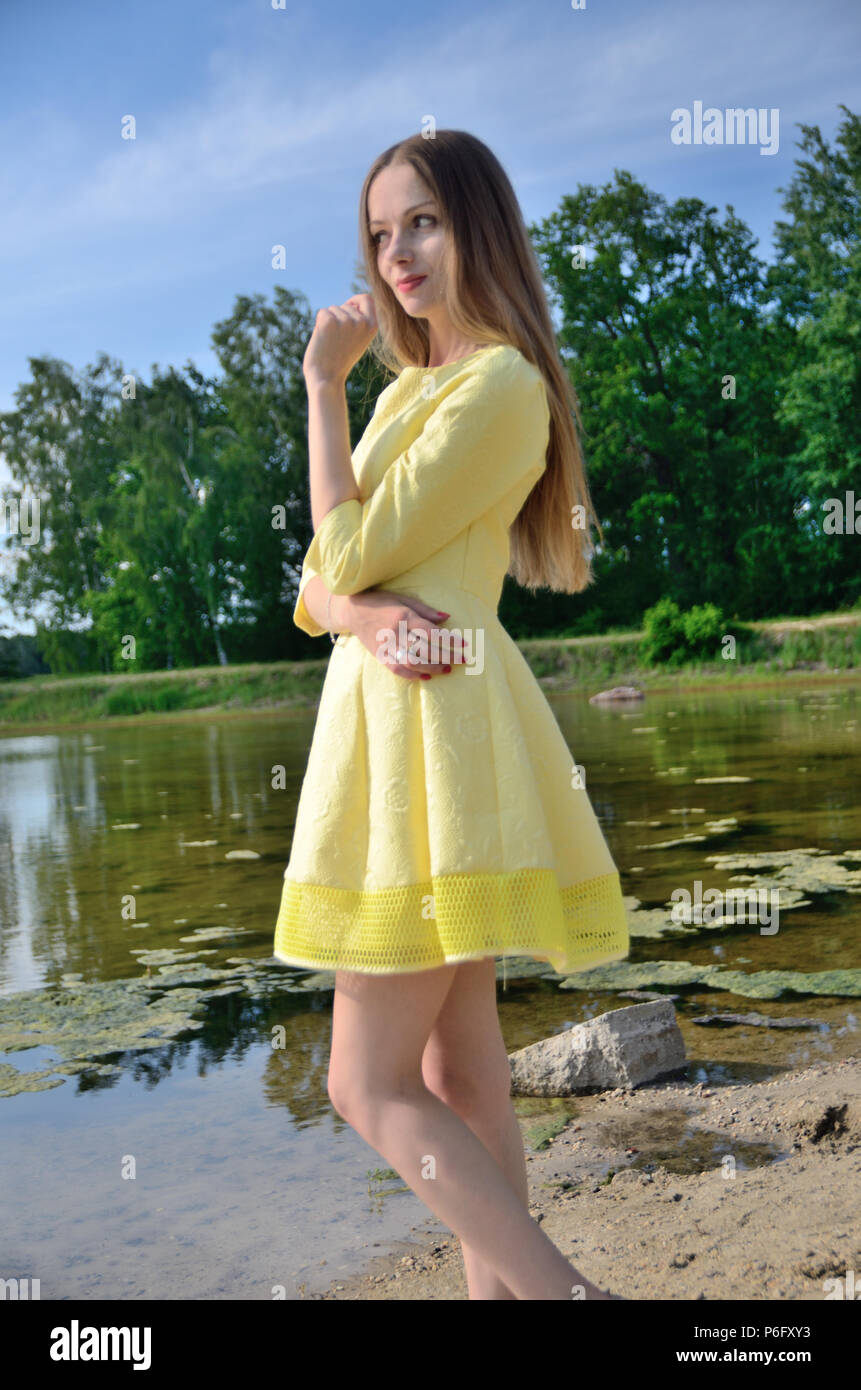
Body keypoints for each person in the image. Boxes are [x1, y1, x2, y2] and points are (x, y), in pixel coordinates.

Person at [274, 130, 630, 1300]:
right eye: (380, 234)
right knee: (461, 1067)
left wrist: (322, 385)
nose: (397, 255)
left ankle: (571, 1295)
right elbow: (315, 594)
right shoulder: (414, 390)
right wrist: (367, 619)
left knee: (362, 1082)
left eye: (420, 221)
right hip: (400, 708)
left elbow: (341, 549)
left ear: (480, 223)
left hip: (440, 725)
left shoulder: (502, 385)